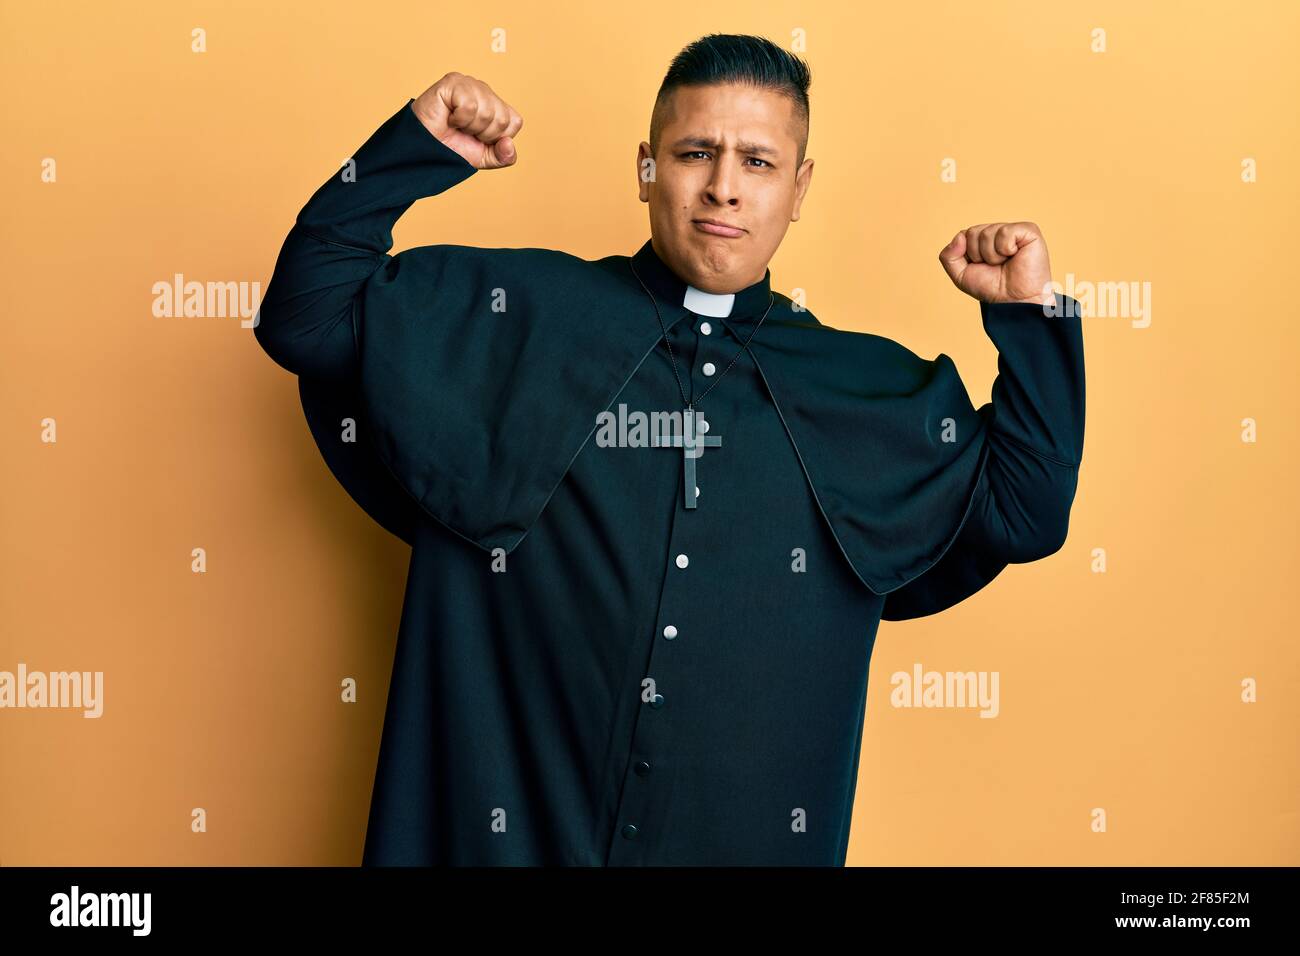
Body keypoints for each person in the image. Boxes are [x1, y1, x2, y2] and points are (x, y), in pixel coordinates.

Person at [254, 33, 1085, 866]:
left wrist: (1030, 319)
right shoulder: (517, 312)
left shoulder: (866, 390)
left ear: (799, 188)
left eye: (758, 162)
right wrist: (410, 151)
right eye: (695, 153)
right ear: (647, 168)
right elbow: (303, 319)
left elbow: (1028, 512)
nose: (724, 187)